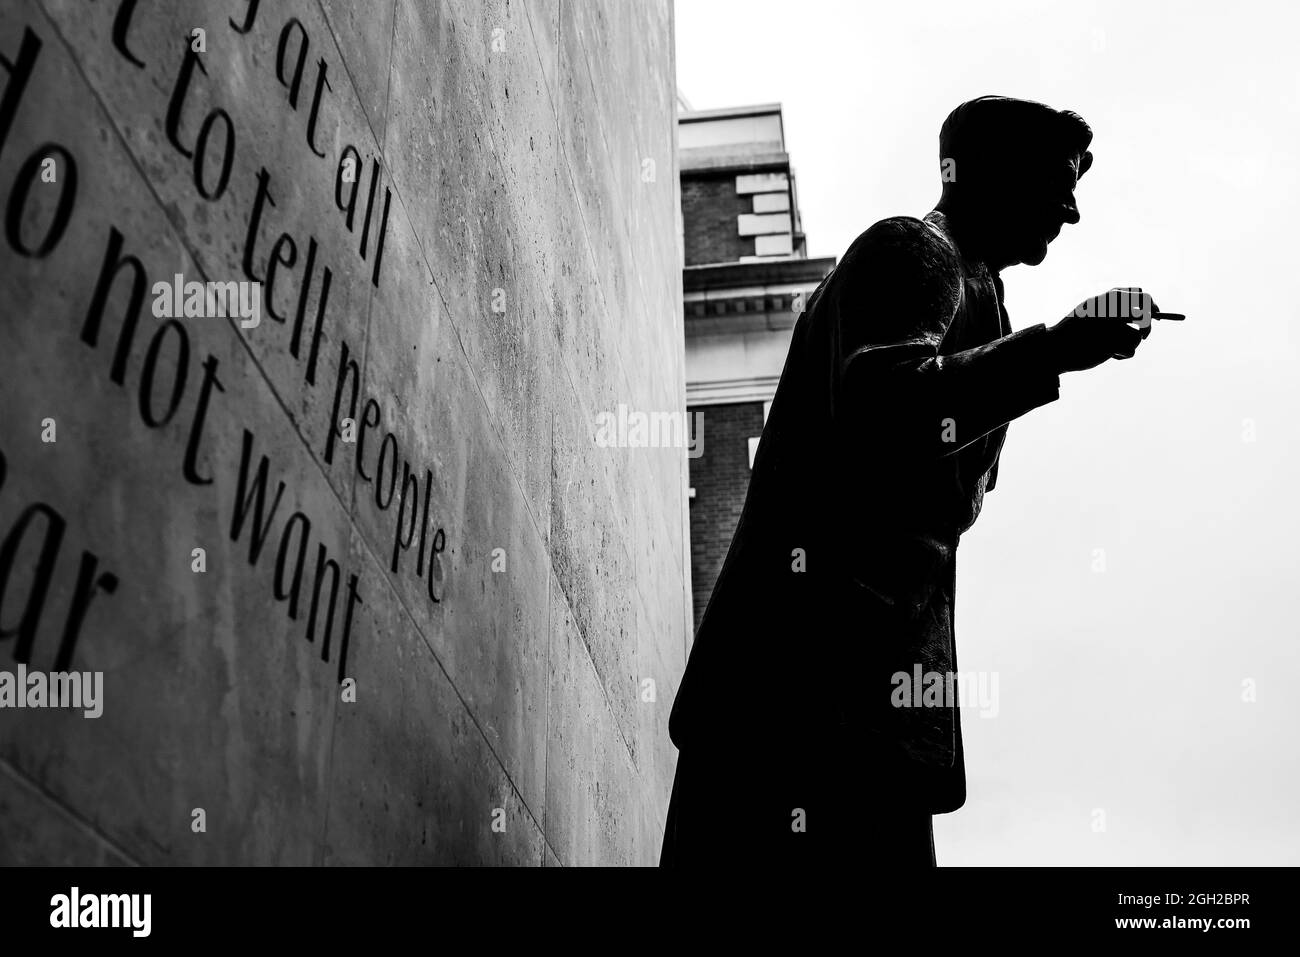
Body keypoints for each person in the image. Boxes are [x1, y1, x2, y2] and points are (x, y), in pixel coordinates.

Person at [660, 95, 1173, 867]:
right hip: (807, 685)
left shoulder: (980, 296)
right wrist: (1056, 350)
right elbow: (888, 408)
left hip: (862, 694)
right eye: (1056, 182)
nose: (1069, 211)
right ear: (991, 172)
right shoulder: (915, 251)